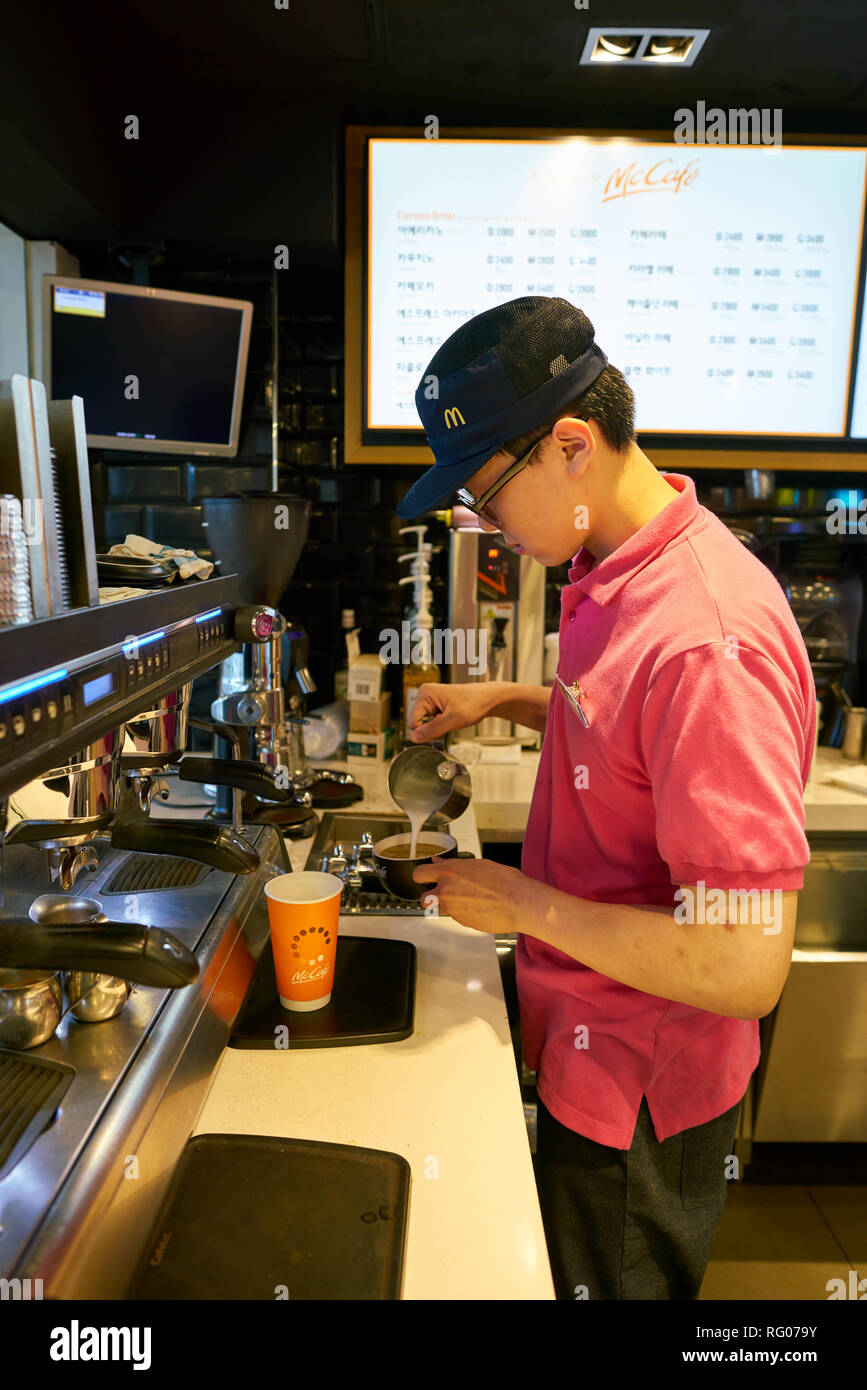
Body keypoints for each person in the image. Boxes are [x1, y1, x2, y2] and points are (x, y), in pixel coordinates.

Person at [395, 296, 816, 1300]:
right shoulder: (622, 567)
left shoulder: (708, 640)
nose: (485, 524)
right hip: (587, 1048)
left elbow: (745, 960)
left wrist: (521, 904)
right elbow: (629, 730)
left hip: (638, 1096)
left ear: (571, 445)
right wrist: (507, 698)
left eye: (487, 495)